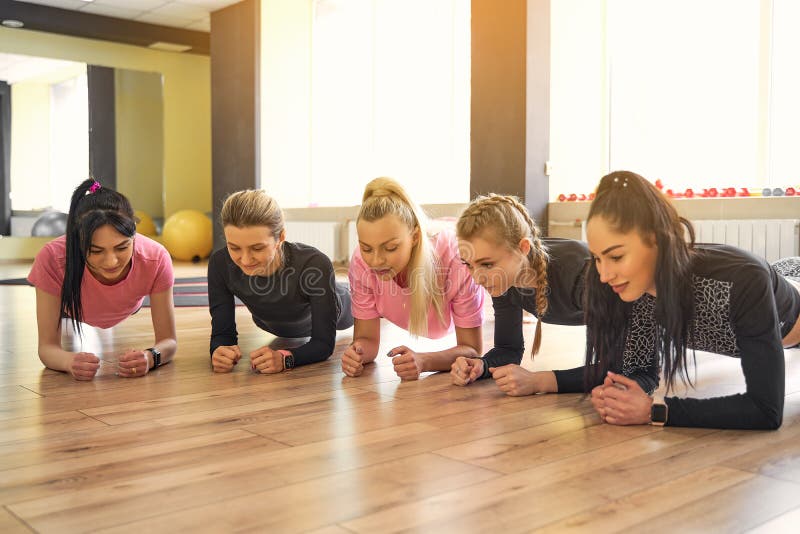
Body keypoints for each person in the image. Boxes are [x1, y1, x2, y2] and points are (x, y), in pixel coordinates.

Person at [585, 170, 800, 429]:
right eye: (598, 258)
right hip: (780, 278)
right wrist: (618, 395)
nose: (604, 275)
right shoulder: (634, 289)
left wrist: (656, 411)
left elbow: (766, 410)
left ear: (656, 239)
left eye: (616, 257)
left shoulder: (740, 280)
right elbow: (642, 371)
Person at [453, 194, 658, 395]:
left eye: (487, 264)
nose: (477, 278)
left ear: (522, 248)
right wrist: (481, 365)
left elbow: (629, 369)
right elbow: (508, 348)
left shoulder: (584, 277)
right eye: (469, 265)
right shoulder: (503, 280)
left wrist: (539, 381)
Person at [28, 178, 176, 380]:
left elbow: (168, 341)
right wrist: (68, 361)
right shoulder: (53, 258)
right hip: (70, 308)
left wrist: (150, 357)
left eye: (122, 247)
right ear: (77, 240)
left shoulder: (156, 257)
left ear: (134, 231)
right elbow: (47, 348)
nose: (111, 262)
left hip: (128, 305)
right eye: (96, 251)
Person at [342, 177, 484, 379]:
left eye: (390, 248)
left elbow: (472, 350)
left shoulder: (457, 257)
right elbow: (368, 341)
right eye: (366, 248)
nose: (376, 260)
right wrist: (356, 353)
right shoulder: (361, 262)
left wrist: (424, 360)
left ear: (415, 237)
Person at [209, 190, 353, 374]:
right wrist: (219, 350)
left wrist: (286, 358)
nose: (245, 260)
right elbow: (222, 334)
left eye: (257, 247)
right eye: (234, 247)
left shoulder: (314, 264)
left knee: (367, 298)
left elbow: (323, 344)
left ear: (281, 238)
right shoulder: (220, 264)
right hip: (271, 324)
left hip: (343, 307)